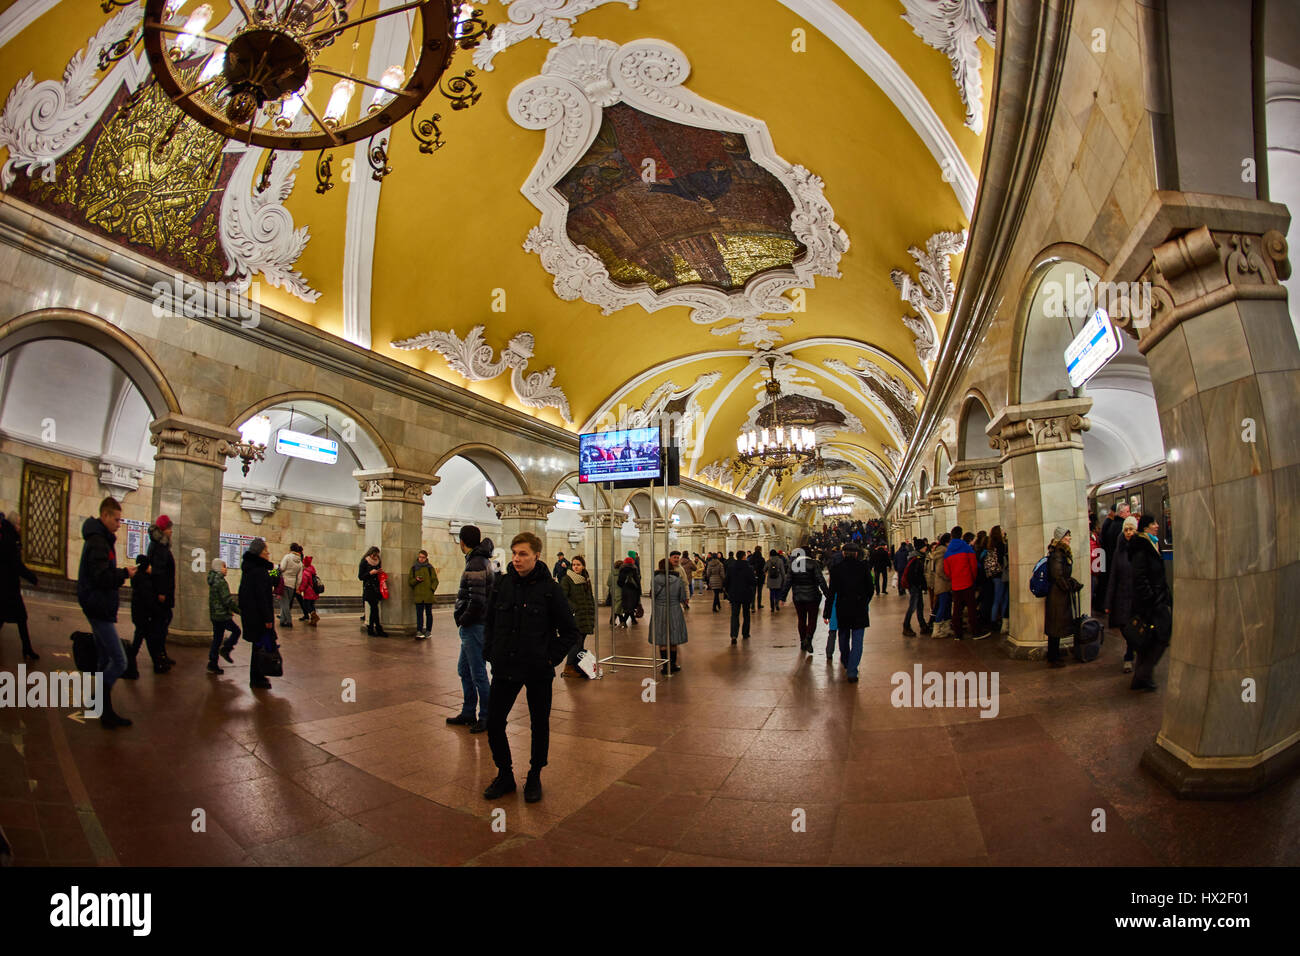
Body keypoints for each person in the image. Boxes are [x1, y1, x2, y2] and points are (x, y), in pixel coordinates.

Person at [482, 532, 579, 804]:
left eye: (523, 554)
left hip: (537, 669)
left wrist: (549, 658)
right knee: (495, 721)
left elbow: (570, 632)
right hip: (505, 666)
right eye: (514, 553)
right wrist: (489, 651)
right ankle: (505, 774)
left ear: (537, 555)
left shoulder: (550, 589)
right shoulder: (502, 584)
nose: (516, 559)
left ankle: (535, 774)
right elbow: (489, 622)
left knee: (539, 724)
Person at [76, 498, 137, 727]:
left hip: (96, 605)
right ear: (105, 516)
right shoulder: (99, 542)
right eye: (117, 519)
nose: (119, 524)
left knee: (104, 658)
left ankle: (99, 705)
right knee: (120, 661)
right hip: (98, 606)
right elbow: (101, 577)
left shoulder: (99, 539)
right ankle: (102, 706)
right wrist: (125, 573)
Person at [449, 526, 494, 732]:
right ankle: (468, 711)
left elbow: (476, 600)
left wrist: (463, 618)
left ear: (462, 541)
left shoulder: (476, 563)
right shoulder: (479, 559)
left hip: (474, 626)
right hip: (473, 625)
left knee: (477, 672)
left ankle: (486, 716)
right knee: (464, 669)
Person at [1128, 514, 1172, 691]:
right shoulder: (1142, 546)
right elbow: (1139, 576)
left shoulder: (1152, 543)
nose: (1157, 526)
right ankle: (1143, 674)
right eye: (1154, 523)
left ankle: (1140, 678)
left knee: (1149, 639)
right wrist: (1152, 597)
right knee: (1162, 636)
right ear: (1146, 527)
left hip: (1155, 600)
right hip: (1150, 603)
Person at [825, 542, 872, 682]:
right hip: (859, 608)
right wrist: (864, 602)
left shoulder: (836, 569)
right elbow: (870, 589)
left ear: (843, 553)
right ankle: (852, 671)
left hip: (842, 608)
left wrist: (827, 612)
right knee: (858, 640)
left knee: (843, 637)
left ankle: (846, 660)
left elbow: (831, 593)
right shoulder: (863, 567)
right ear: (857, 554)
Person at [238, 538, 278, 690]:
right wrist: (268, 618)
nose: (268, 553)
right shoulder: (259, 571)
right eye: (266, 551)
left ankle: (257, 676)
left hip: (252, 615)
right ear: (260, 553)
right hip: (259, 617)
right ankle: (258, 677)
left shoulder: (250, 568)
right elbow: (262, 597)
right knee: (259, 647)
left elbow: (272, 578)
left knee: (257, 646)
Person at [0, 512, 39, 661]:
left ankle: (27, 648)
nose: (20, 527)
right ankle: (27, 648)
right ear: (13, 524)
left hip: (7, 586)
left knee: (11, 617)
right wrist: (32, 577)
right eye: (18, 524)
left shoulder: (10, 538)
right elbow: (16, 565)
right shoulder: (9, 540)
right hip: (7, 587)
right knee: (21, 617)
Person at [1104, 516, 1139, 673]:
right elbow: (1113, 577)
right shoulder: (1119, 551)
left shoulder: (1141, 549)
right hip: (1122, 596)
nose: (1128, 532)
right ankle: (1133, 649)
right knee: (1124, 628)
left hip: (1138, 597)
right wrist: (1108, 602)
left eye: (1131, 529)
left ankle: (1129, 656)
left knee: (1133, 628)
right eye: (1126, 529)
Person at [1044, 527, 1083, 667]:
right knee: (1055, 626)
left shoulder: (1060, 552)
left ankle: (1054, 655)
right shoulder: (1058, 554)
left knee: (1057, 626)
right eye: (1067, 536)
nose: (1069, 538)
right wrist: (1068, 587)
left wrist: (1071, 583)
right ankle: (1052, 658)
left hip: (1059, 594)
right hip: (1057, 595)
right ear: (1060, 538)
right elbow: (1058, 575)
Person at [146, 515, 177, 669]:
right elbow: (159, 571)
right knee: (159, 626)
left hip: (163, 592)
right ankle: (158, 659)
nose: (171, 532)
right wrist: (162, 592)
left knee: (162, 624)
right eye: (169, 529)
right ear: (163, 530)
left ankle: (161, 655)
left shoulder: (161, 545)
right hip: (161, 594)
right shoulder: (159, 546)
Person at [649, 557, 689, 674]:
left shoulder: (655, 579)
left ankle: (665, 666)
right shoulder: (678, 580)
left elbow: (653, 596)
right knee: (673, 637)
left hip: (659, 610)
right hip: (674, 609)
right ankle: (673, 664)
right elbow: (682, 597)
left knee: (662, 638)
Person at [943, 526, 983, 640]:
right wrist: (972, 578)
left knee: (957, 609)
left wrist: (954, 578)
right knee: (971, 608)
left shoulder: (948, 551)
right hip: (967, 582)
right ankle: (975, 632)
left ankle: (958, 634)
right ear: (961, 535)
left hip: (955, 584)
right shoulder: (967, 548)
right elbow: (973, 566)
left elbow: (947, 571)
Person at [788, 543, 829, 654]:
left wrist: (782, 596)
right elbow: (820, 580)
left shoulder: (794, 565)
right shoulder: (813, 563)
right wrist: (827, 594)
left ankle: (802, 641)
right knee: (812, 619)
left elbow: (788, 581)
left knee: (801, 619)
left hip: (798, 596)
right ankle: (808, 639)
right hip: (812, 596)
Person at [127, 552, 163, 676]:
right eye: (149, 566)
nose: (151, 568)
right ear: (146, 566)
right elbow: (149, 601)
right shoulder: (144, 581)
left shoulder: (139, 578)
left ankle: (157, 664)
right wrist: (156, 612)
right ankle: (130, 666)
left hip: (139, 615)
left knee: (148, 640)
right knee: (140, 641)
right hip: (143, 616)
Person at [559, 555, 595, 678]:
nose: (575, 567)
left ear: (583, 566)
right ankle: (568, 668)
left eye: (578, 564)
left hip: (585, 615)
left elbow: (589, 596)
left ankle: (577, 666)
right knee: (576, 642)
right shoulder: (567, 579)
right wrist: (574, 608)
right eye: (574, 564)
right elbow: (563, 597)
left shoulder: (585, 579)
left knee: (581, 642)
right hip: (576, 616)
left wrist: (591, 610)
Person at [206, 558, 241, 674]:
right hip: (222, 615)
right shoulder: (220, 581)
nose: (226, 569)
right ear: (218, 567)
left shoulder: (212, 580)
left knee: (217, 638)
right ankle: (226, 648)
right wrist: (239, 611)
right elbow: (227, 600)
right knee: (236, 631)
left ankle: (212, 662)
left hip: (215, 614)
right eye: (224, 566)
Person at [723, 551, 756, 644]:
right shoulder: (749, 568)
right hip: (746, 594)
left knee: (734, 615)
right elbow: (753, 582)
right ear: (744, 557)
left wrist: (729, 591)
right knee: (746, 614)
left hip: (734, 595)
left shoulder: (731, 568)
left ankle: (734, 635)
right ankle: (745, 633)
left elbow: (726, 581)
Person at [902, 540, 930, 637]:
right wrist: (919, 584)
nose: (926, 547)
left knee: (920, 606)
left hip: (917, 586)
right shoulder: (916, 559)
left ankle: (923, 625)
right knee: (913, 606)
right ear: (919, 548)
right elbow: (915, 575)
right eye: (924, 546)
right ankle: (906, 626)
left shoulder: (918, 557)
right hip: (915, 586)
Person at [926, 533, 951, 638]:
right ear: (947, 542)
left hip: (941, 583)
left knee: (945, 605)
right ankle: (936, 630)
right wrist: (949, 578)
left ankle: (945, 628)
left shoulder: (939, 551)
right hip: (942, 584)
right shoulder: (942, 552)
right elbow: (940, 570)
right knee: (942, 606)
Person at [409, 549, 438, 640]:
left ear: (426, 558)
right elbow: (410, 581)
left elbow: (435, 580)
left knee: (429, 613)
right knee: (419, 614)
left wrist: (431, 589)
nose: (421, 559)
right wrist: (416, 580)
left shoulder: (430, 568)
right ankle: (419, 630)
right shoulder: (414, 568)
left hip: (428, 595)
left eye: (423, 557)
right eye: (420, 557)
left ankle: (428, 631)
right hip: (418, 594)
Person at [358, 546, 386, 636]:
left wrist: (379, 572)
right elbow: (360, 577)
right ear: (370, 554)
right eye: (374, 555)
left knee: (374, 609)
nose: (375, 557)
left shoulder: (378, 561)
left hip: (377, 588)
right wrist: (370, 573)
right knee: (374, 608)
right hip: (369, 588)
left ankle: (372, 628)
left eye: (377, 555)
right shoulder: (364, 562)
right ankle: (376, 628)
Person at [988, 526, 1009, 633]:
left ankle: (1000, 622)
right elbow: (1001, 559)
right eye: (1001, 530)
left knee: (1001, 598)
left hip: (994, 575)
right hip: (1001, 574)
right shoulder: (1000, 544)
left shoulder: (991, 544)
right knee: (1000, 598)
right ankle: (995, 622)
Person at [279, 543, 304, 627]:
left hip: (284, 582)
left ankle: (289, 621)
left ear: (291, 549)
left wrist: (274, 571)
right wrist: (297, 587)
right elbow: (299, 577)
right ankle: (282, 620)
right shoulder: (300, 562)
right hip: (292, 585)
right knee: (286, 602)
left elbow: (282, 568)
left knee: (284, 603)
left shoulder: (287, 557)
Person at [297, 554, 321, 628]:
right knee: (311, 605)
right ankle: (313, 621)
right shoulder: (312, 569)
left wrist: (300, 590)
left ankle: (314, 616)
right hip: (314, 591)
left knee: (306, 605)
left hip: (308, 592)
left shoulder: (306, 572)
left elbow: (304, 583)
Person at [617, 558, 640, 628]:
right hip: (633, 591)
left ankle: (628, 621)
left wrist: (623, 586)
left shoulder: (622, 570)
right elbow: (637, 581)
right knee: (631, 607)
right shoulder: (634, 569)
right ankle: (624, 621)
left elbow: (619, 582)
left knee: (628, 606)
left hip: (625, 590)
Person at [764, 550, 787, 614]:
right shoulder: (780, 561)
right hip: (778, 580)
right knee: (778, 593)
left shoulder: (768, 561)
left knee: (772, 593)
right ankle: (776, 604)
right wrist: (784, 579)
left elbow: (764, 569)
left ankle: (772, 607)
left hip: (770, 580)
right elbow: (782, 571)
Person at [748, 546, 766, 610]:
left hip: (753, 577)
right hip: (760, 577)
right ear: (760, 550)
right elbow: (764, 569)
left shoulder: (751, 558)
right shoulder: (762, 559)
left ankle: (752, 605)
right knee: (759, 592)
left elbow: (749, 568)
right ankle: (759, 605)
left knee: (753, 592)